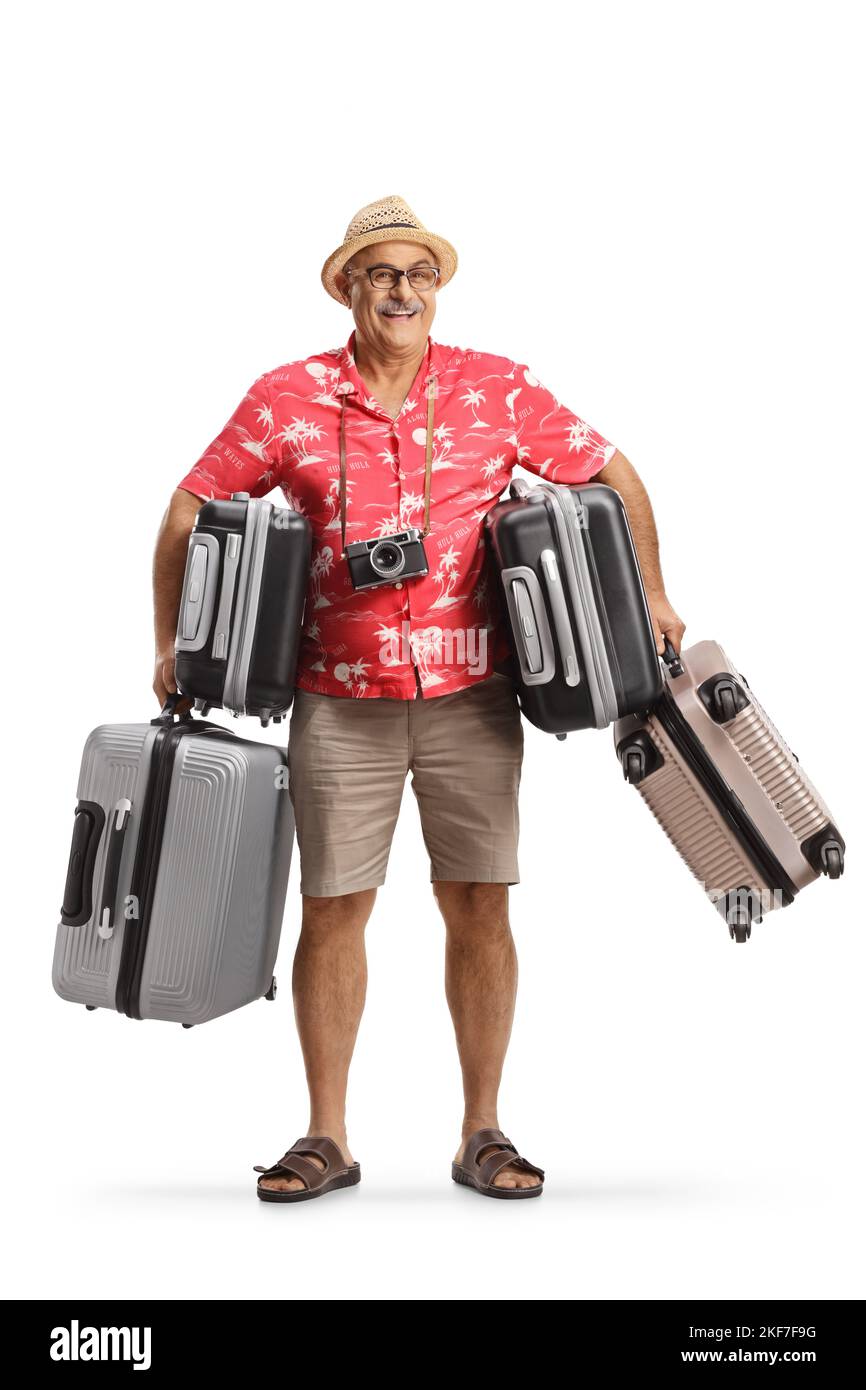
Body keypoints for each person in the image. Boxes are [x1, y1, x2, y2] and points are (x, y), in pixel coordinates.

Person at [152, 195, 686, 1203]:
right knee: (332, 906)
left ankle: (481, 1130)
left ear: (434, 289)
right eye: (379, 274)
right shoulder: (287, 397)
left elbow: (612, 472)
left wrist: (651, 593)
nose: (401, 291)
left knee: (478, 902)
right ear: (349, 288)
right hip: (335, 696)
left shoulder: (496, 388)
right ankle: (326, 1136)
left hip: (470, 694)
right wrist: (170, 642)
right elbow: (187, 509)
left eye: (417, 274)